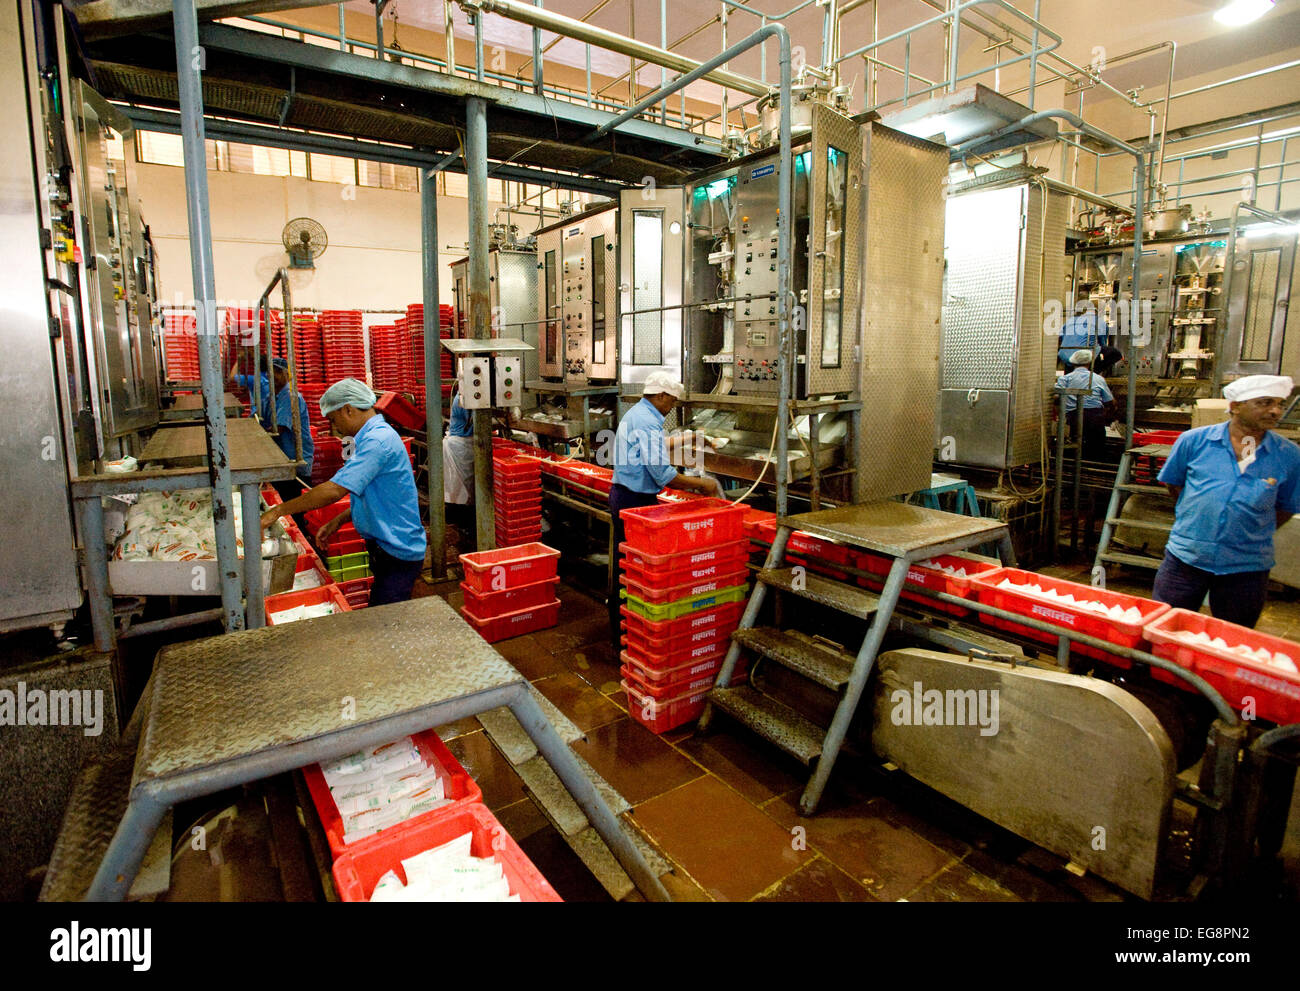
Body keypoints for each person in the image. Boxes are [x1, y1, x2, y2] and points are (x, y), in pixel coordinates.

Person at [261, 378, 427, 606]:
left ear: (348, 410)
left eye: (333, 418)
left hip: (397, 552)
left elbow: (333, 490)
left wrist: (278, 511)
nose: (335, 426)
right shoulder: (372, 436)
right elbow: (375, 495)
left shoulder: (377, 441)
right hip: (386, 546)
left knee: (385, 621)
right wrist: (338, 520)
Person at [1152, 374, 1299, 628]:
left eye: (1279, 404)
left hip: (1247, 567)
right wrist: (1198, 521)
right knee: (1165, 627)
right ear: (1235, 406)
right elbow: (1175, 485)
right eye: (1264, 403)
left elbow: (1286, 506)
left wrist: (1247, 531)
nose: (1275, 411)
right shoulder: (1194, 442)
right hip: (1186, 559)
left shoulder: (1288, 455)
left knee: (1233, 638)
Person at [607, 372, 723, 636]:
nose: (671, 407)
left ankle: (625, 626)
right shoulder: (647, 420)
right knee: (635, 568)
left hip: (627, 495)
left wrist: (689, 437)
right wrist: (703, 485)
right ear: (660, 396)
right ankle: (628, 630)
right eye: (671, 402)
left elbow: (653, 446)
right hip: (634, 500)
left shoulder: (638, 413)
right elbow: (662, 473)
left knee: (629, 564)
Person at [228, 353, 314, 501]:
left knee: (295, 505)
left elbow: (278, 429)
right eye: (269, 374)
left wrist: (250, 439)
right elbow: (262, 419)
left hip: (294, 461)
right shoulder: (273, 397)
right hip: (282, 458)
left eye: (274, 374)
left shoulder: (289, 396)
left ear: (283, 374)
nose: (270, 378)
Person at [1053, 348, 1117, 459]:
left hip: (1073, 417)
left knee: (1075, 447)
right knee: (1097, 448)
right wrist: (1111, 415)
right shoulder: (1098, 379)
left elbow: (1055, 397)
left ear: (1072, 362)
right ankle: (1094, 467)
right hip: (1095, 417)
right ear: (1089, 362)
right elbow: (1110, 402)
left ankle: (1077, 468)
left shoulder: (1065, 379)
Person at [443, 385, 477, 549]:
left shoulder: (467, 397)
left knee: (466, 487)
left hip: (465, 445)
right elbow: (475, 421)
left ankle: (465, 524)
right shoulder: (461, 399)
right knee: (461, 489)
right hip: (458, 447)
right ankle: (464, 526)